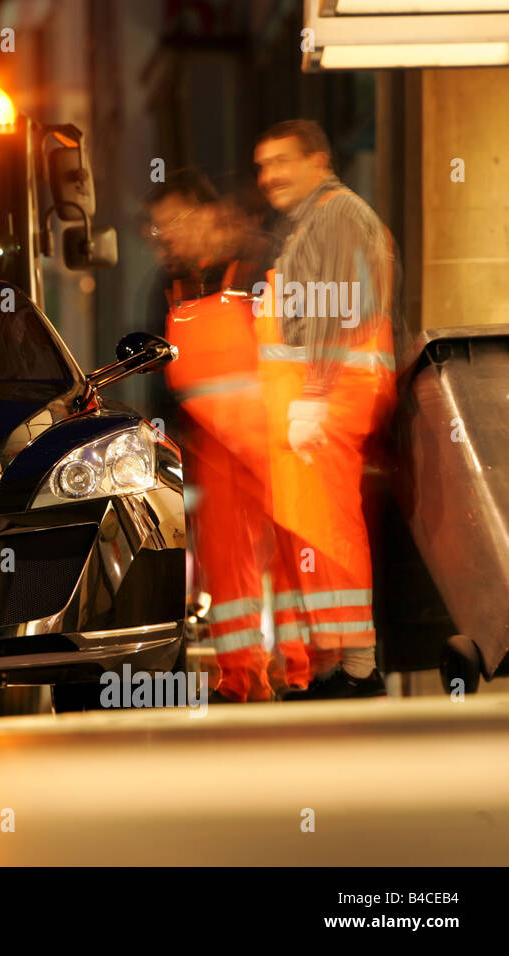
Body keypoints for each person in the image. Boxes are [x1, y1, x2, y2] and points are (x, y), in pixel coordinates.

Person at [145, 169, 309, 702]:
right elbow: (153, 370)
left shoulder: (264, 263)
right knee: (224, 561)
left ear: (209, 214)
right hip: (211, 448)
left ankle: (305, 671)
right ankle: (242, 679)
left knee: (292, 556)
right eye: (157, 229)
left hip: (275, 434)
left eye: (172, 222)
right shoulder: (167, 287)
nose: (165, 236)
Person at [252, 119, 396, 699]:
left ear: (319, 160)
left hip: (329, 394)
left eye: (283, 161)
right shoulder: (319, 220)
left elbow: (335, 307)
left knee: (330, 529)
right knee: (316, 529)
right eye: (263, 165)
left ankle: (358, 669)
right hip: (321, 394)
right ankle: (340, 664)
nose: (271, 176)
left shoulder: (334, 216)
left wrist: (313, 394)